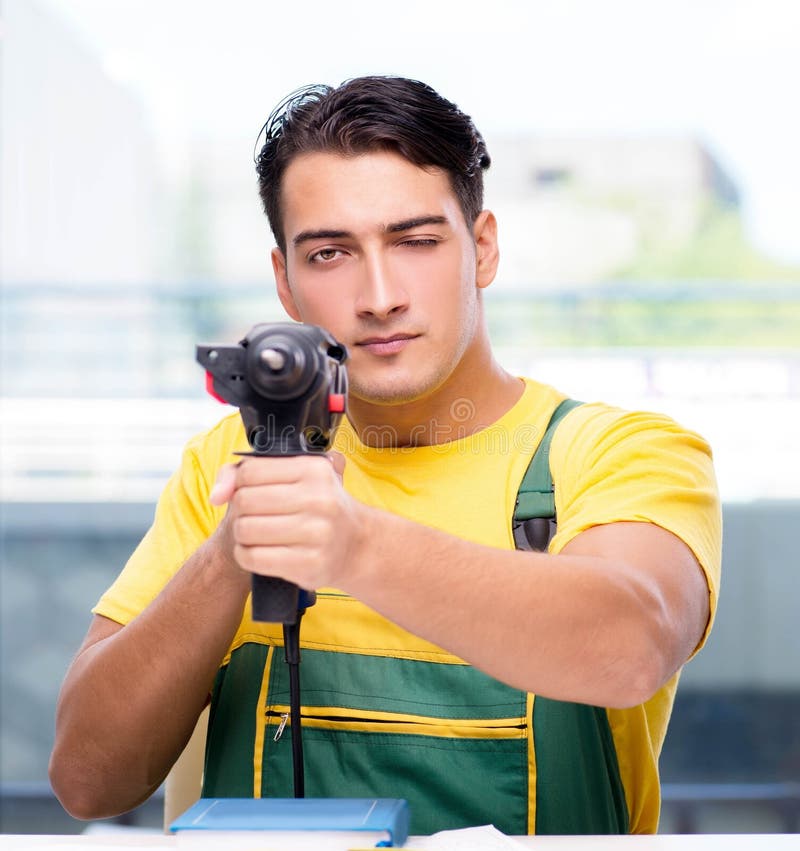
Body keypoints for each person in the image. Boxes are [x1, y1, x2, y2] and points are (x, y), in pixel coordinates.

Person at [49, 76, 721, 836]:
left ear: (483, 248)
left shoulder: (616, 452)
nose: (378, 295)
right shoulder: (227, 464)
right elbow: (88, 778)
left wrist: (351, 542)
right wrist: (232, 554)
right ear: (287, 283)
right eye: (331, 252)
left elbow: (628, 646)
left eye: (415, 241)